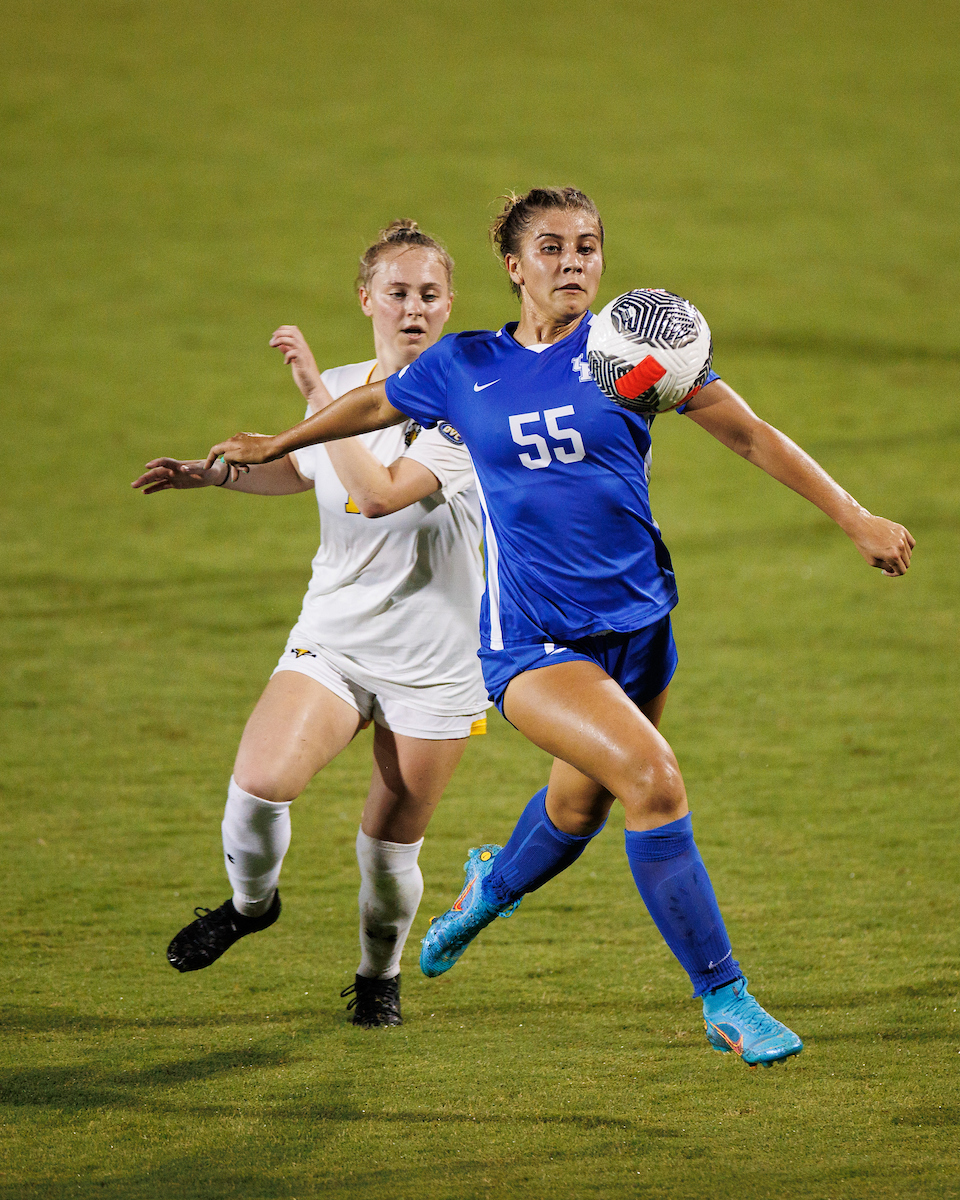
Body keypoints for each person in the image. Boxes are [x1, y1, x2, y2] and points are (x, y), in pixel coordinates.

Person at [204, 187, 915, 1067]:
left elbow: (750, 435)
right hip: (535, 640)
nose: (573, 261)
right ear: (514, 265)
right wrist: (280, 442)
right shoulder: (465, 365)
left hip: (641, 623)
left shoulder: (632, 348)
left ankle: (486, 889)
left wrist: (855, 516)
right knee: (654, 780)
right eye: (551, 246)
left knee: (579, 810)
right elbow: (375, 407)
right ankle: (725, 997)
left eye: (587, 246)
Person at [132, 220, 489, 1028]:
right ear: (366, 299)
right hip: (336, 637)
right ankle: (250, 905)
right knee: (259, 785)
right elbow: (301, 468)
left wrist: (318, 401)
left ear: (449, 305)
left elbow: (378, 492)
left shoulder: (474, 404)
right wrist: (213, 478)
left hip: (436, 661)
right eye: (397, 292)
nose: (413, 308)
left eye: (429, 294)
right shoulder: (342, 383)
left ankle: (377, 977)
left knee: (387, 850)